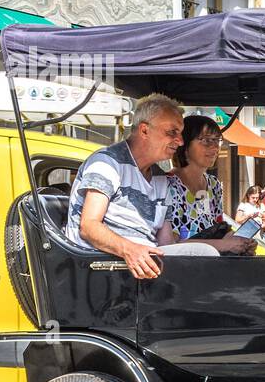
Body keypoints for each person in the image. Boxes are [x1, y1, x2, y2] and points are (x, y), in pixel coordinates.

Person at [64, 94, 221, 278]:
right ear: (144, 131)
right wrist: (130, 250)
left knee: (209, 258)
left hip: (143, 267)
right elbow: (89, 226)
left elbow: (166, 243)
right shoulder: (107, 163)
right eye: (172, 132)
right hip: (103, 268)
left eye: (180, 133)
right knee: (207, 255)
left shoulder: (160, 179)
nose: (180, 141)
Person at [164, 114, 257, 254]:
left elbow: (215, 229)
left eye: (217, 140)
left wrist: (238, 242)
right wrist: (224, 245)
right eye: (206, 140)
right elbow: (173, 244)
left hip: (212, 266)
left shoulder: (214, 185)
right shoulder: (169, 184)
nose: (214, 147)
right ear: (184, 144)